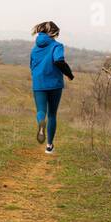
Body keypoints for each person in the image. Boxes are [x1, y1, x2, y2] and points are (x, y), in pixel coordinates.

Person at [29, 21, 73, 154]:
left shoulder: (35, 49)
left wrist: (37, 77)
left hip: (39, 83)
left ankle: (41, 122)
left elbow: (32, 66)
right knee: (52, 114)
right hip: (54, 84)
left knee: (41, 111)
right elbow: (59, 60)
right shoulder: (57, 46)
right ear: (53, 33)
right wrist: (69, 74)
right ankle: (49, 146)